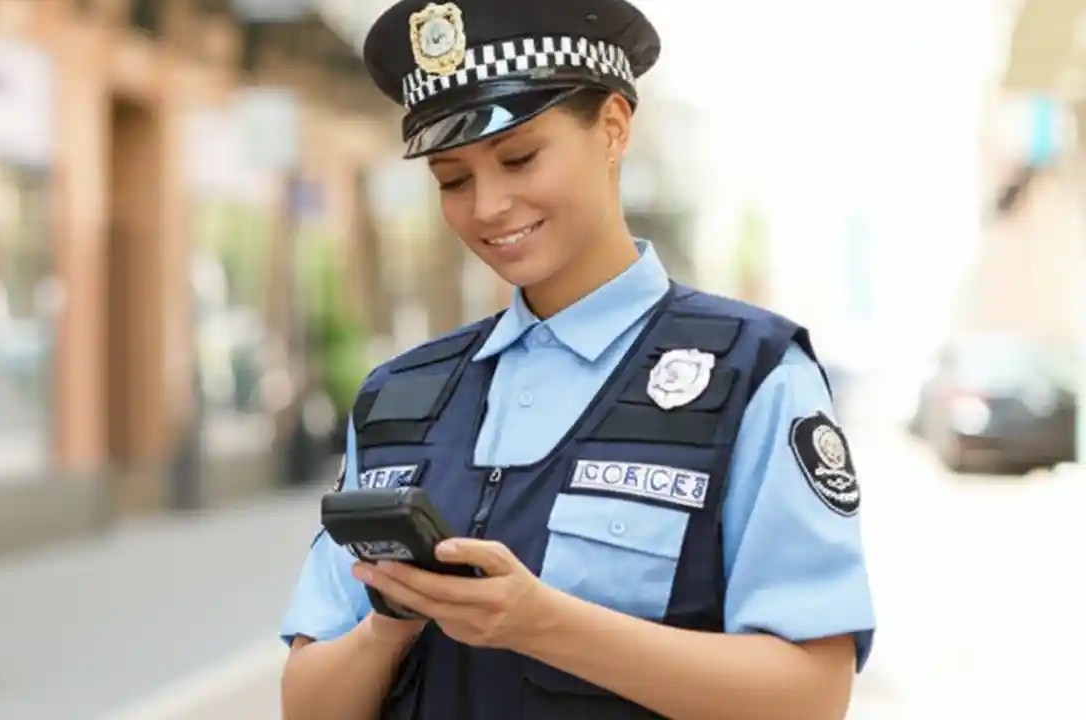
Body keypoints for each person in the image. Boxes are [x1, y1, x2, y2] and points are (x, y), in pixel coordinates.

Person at [279, 1, 875, 718]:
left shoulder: (751, 375)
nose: (489, 205)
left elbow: (810, 696)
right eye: (452, 180)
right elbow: (307, 705)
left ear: (615, 127)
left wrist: (542, 624)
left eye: (520, 158)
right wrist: (393, 620)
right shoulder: (396, 400)